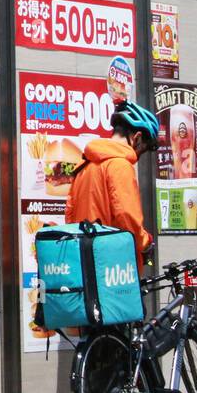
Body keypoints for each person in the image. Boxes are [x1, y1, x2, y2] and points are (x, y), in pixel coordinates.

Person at [65, 100, 159, 271]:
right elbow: (127, 217)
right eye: (142, 151)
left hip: (84, 266)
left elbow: (70, 216)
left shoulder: (83, 166)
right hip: (111, 269)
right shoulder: (119, 165)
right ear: (137, 138)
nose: (138, 157)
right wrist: (145, 243)